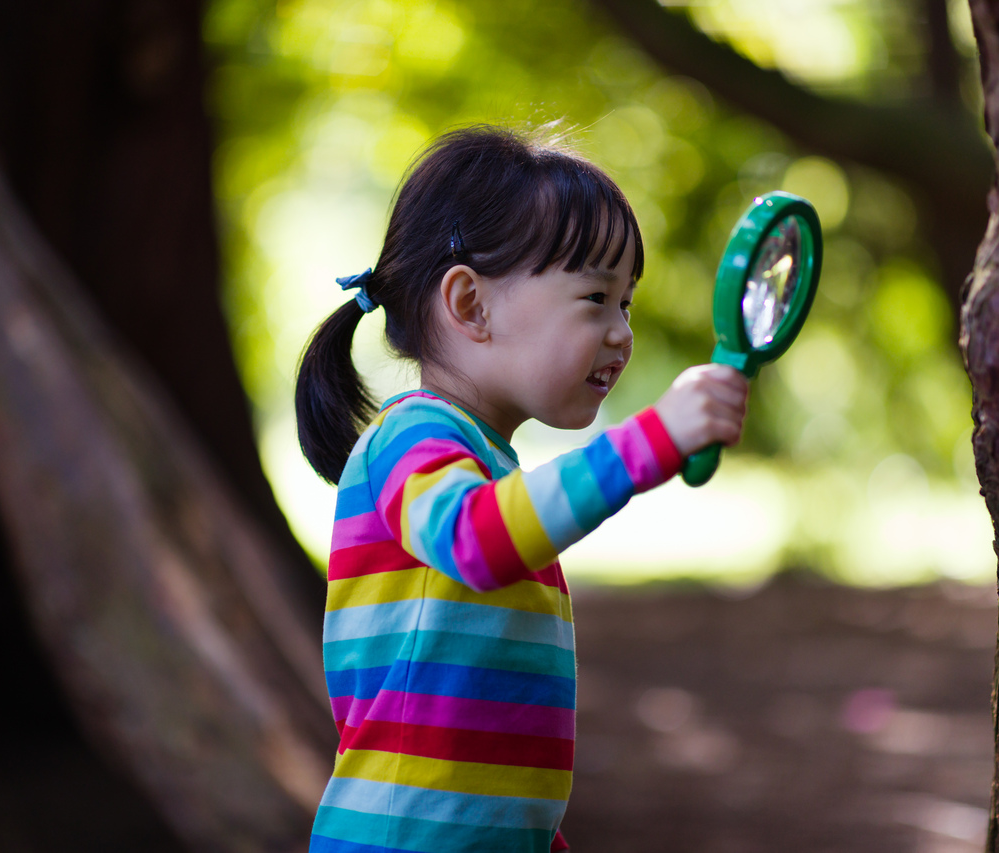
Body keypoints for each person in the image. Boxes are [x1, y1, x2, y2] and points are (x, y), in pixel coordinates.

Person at [295, 125, 749, 853]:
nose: (622, 332)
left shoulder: (489, 466)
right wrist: (651, 440)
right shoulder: (411, 440)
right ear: (471, 305)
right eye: (596, 296)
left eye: (627, 302)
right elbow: (476, 541)